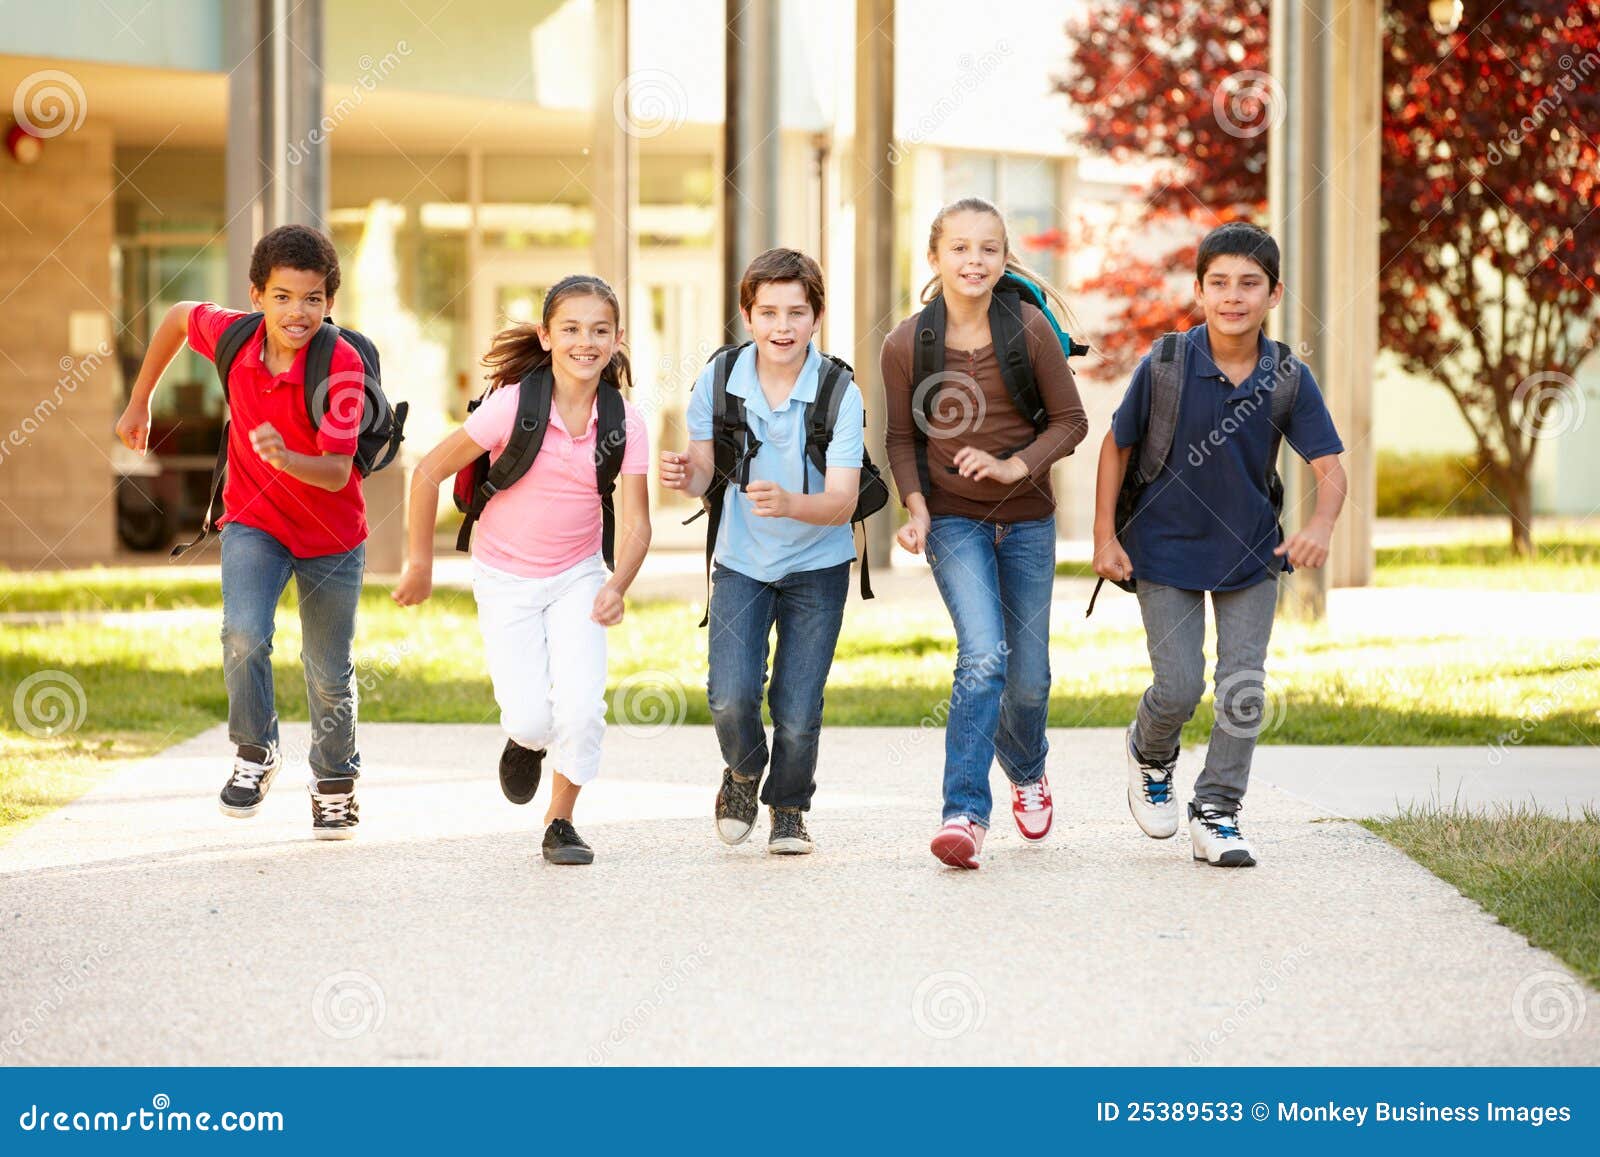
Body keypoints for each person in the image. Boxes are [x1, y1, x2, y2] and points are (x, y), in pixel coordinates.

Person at [1093, 221, 1347, 867]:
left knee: (1243, 687)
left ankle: (1218, 810)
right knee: (1178, 685)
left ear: (1274, 293)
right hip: (1164, 549)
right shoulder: (1170, 362)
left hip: (1251, 553)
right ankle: (1151, 752)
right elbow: (1116, 445)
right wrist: (1103, 536)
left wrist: (1318, 528)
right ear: (1201, 291)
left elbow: (1331, 470)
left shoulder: (1287, 374)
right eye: (1220, 283)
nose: (1234, 296)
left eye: (1249, 284)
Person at [115, 224, 371, 838]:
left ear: (330, 301)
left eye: (312, 298)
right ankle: (256, 751)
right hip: (253, 521)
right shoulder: (232, 335)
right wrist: (140, 399)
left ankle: (335, 780)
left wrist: (285, 458)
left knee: (327, 668)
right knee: (243, 634)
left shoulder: (340, 363)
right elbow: (178, 315)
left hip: (332, 536)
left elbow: (338, 472)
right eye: (282, 296)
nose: (297, 312)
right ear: (256, 294)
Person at [393, 274, 651, 866]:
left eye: (599, 330)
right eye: (570, 329)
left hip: (580, 575)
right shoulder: (513, 405)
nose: (585, 342)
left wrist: (617, 583)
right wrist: (420, 565)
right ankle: (526, 740)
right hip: (505, 576)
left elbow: (636, 523)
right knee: (533, 715)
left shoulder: (625, 421)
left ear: (616, 339)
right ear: (546, 335)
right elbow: (427, 472)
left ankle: (560, 822)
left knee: (583, 708)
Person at [882, 197, 1089, 869]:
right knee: (982, 657)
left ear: (1004, 259)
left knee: (1027, 681)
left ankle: (1027, 768)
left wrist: (1013, 465)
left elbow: (1071, 422)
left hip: (1027, 521)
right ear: (935, 257)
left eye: (988, 249)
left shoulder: (1028, 328)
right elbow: (900, 437)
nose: (974, 260)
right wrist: (915, 507)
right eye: (960, 247)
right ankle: (964, 812)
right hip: (953, 519)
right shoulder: (906, 343)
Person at [658, 248, 863, 856]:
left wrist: (789, 503)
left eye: (796, 313)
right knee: (730, 693)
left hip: (818, 567)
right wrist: (684, 475)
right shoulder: (720, 382)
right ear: (747, 316)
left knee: (799, 707)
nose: (782, 326)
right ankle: (743, 774)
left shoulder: (838, 392)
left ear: (816, 317)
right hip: (742, 562)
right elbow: (704, 473)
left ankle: (790, 807)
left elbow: (844, 501)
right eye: (768, 312)